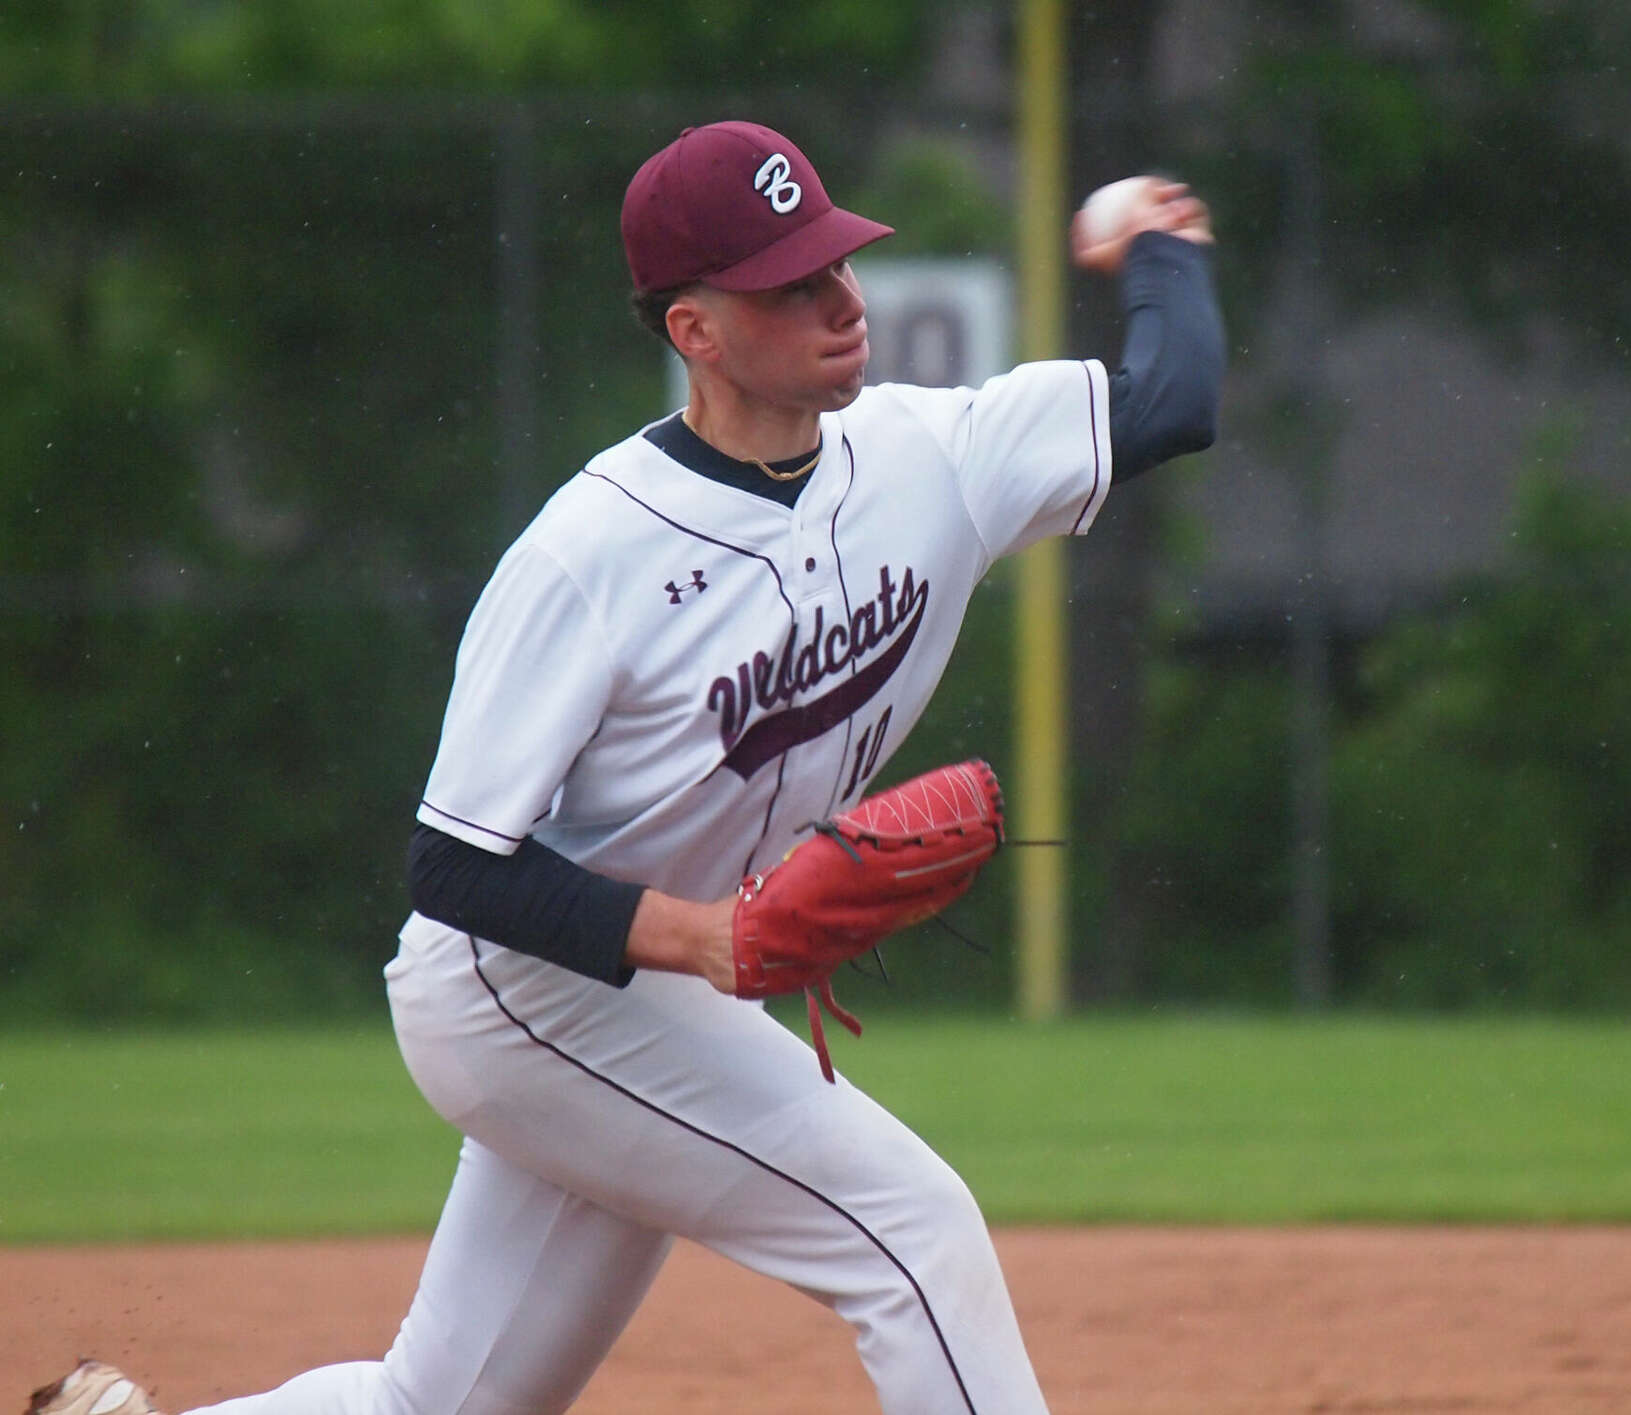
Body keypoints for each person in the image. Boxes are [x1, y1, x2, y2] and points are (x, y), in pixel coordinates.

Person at [29, 118, 1223, 1415]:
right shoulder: (588, 556)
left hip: (649, 1001)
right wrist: (702, 936)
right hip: (512, 994)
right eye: (790, 285)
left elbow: (1170, 402)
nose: (841, 301)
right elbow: (451, 866)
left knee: (449, 1403)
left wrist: (1159, 250)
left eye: (836, 259)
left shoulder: (933, 455)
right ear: (695, 329)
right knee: (911, 1232)